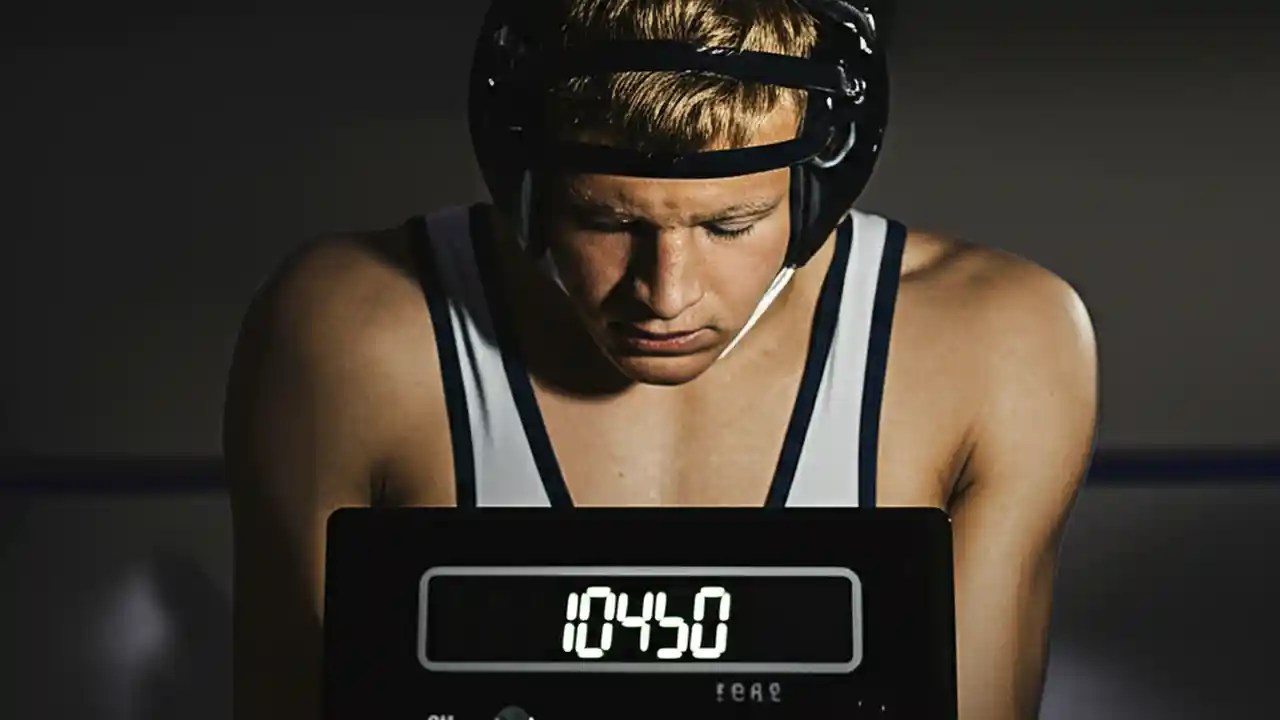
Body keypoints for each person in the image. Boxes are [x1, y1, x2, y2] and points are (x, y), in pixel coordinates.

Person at [222, 1, 1098, 718]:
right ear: (524, 184)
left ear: (819, 184)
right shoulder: (347, 334)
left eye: (729, 226)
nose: (665, 293)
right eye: (606, 221)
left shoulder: (999, 342)